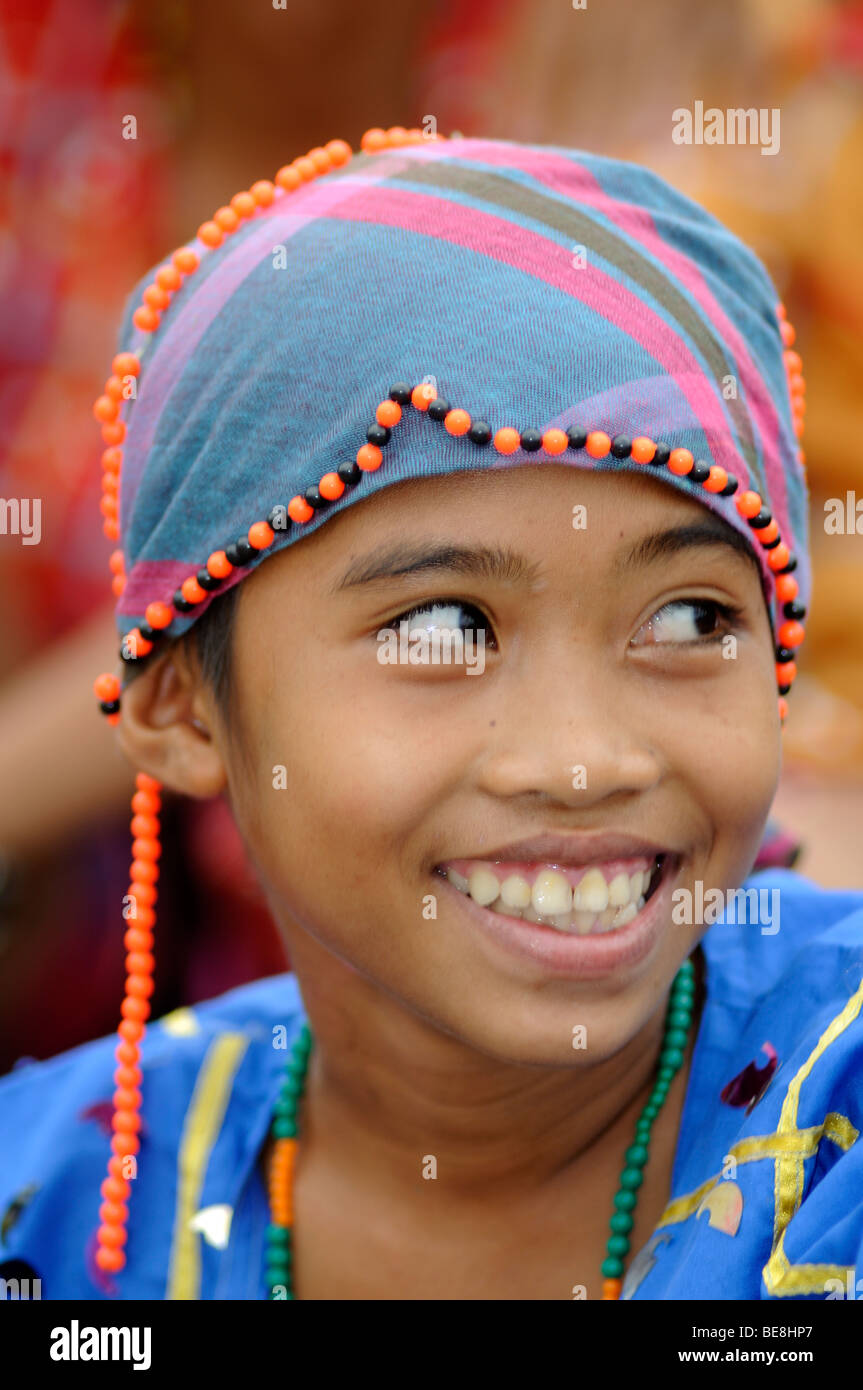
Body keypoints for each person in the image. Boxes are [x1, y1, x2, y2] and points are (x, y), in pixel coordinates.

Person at [0, 126, 860, 1302]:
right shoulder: (47, 1206)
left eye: (687, 621)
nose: (581, 761)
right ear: (182, 706)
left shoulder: (834, 1127)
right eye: (444, 630)